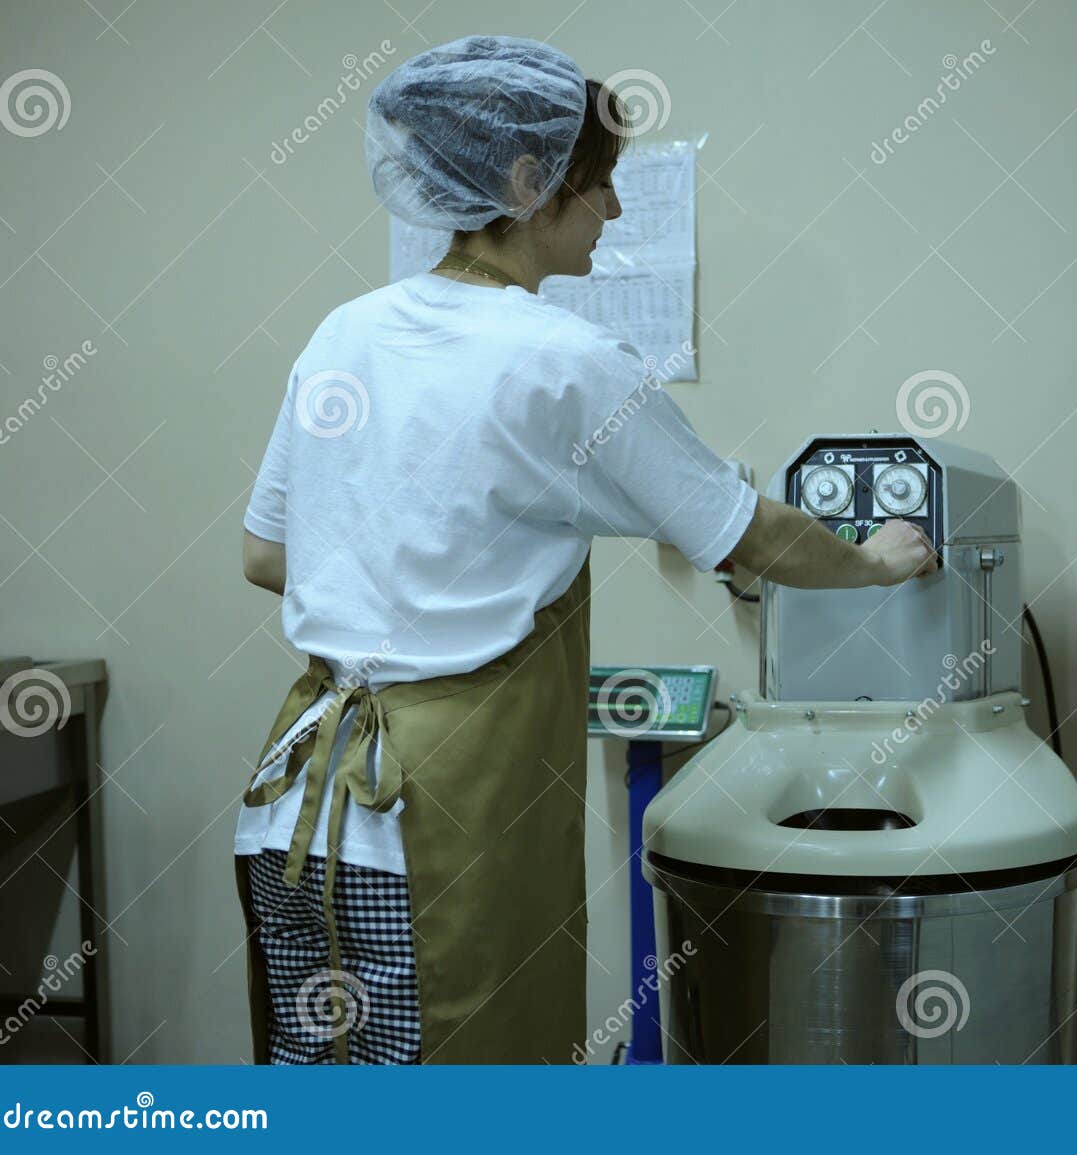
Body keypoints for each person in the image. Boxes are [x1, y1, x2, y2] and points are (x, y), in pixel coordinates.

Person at [235, 34, 937, 1065]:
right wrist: (875, 560)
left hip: (290, 814)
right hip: (436, 825)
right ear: (528, 185)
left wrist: (426, 568)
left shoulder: (349, 331)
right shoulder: (563, 360)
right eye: (598, 185)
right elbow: (749, 530)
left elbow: (265, 553)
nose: (613, 209)